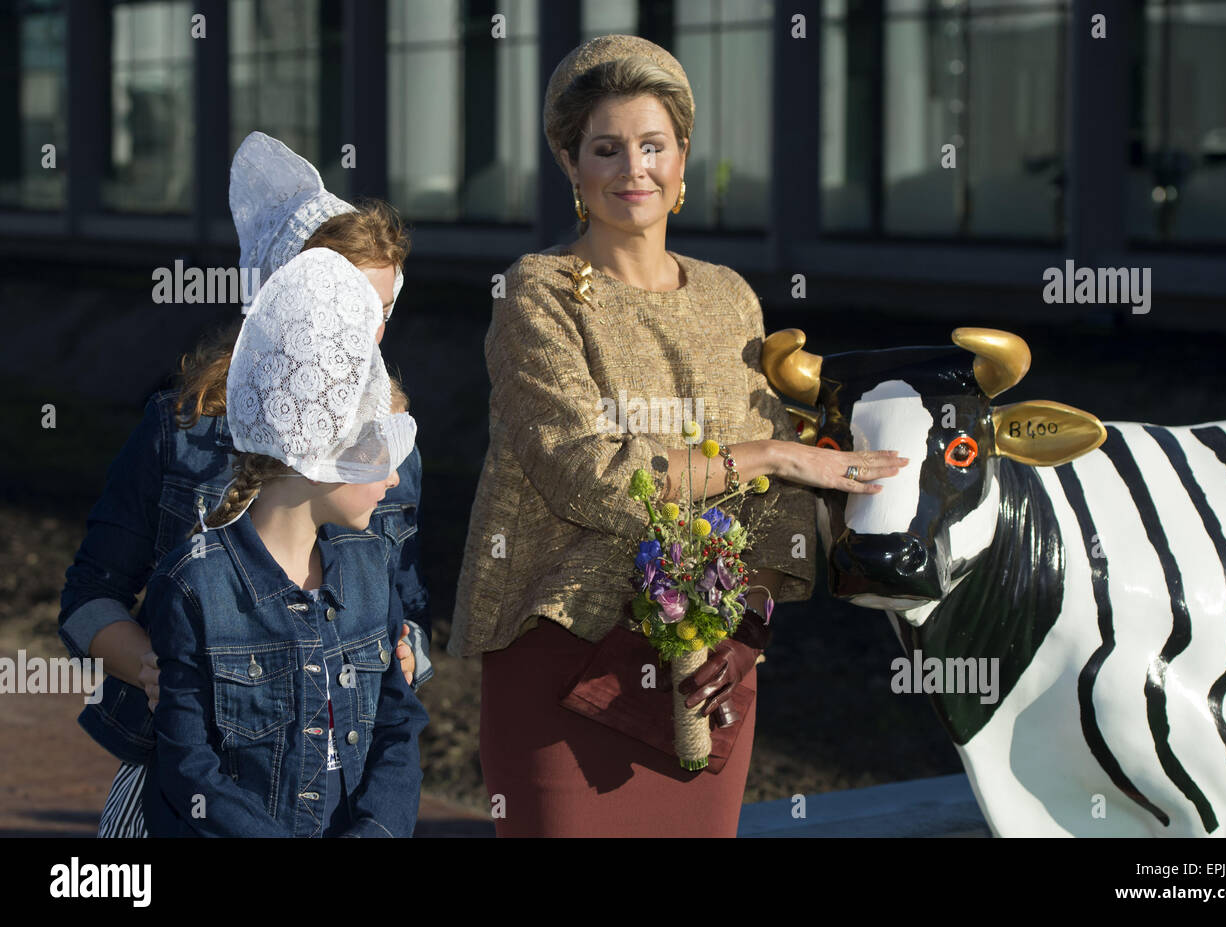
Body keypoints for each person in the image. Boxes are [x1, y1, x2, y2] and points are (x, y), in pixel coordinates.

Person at [450, 35, 908, 837]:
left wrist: (748, 628)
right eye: (607, 148)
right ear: (570, 164)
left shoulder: (730, 296)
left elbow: (783, 507)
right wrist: (764, 456)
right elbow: (587, 474)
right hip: (563, 652)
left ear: (683, 155)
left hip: (711, 662)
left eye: (653, 145)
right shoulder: (540, 292)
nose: (635, 169)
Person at [58, 132, 432, 838]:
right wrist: (154, 665)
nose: (371, 338)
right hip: (189, 789)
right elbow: (87, 598)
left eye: (382, 311)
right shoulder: (183, 431)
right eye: (350, 311)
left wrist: (405, 648)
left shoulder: (390, 450)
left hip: (338, 796)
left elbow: (407, 610)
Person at [142, 247, 427, 837]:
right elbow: (190, 767)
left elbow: (399, 729)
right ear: (319, 456)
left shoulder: (371, 569)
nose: (395, 478)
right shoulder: (195, 585)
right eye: (380, 453)